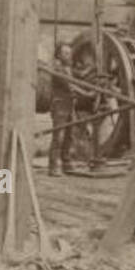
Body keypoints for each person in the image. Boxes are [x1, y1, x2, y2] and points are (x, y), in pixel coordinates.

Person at [48, 42, 78, 175]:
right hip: (60, 105)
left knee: (69, 135)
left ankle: (66, 162)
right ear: (59, 55)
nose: (69, 56)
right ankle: (54, 166)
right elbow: (68, 84)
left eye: (69, 53)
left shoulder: (69, 68)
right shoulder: (57, 68)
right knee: (58, 136)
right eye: (65, 53)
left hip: (70, 104)